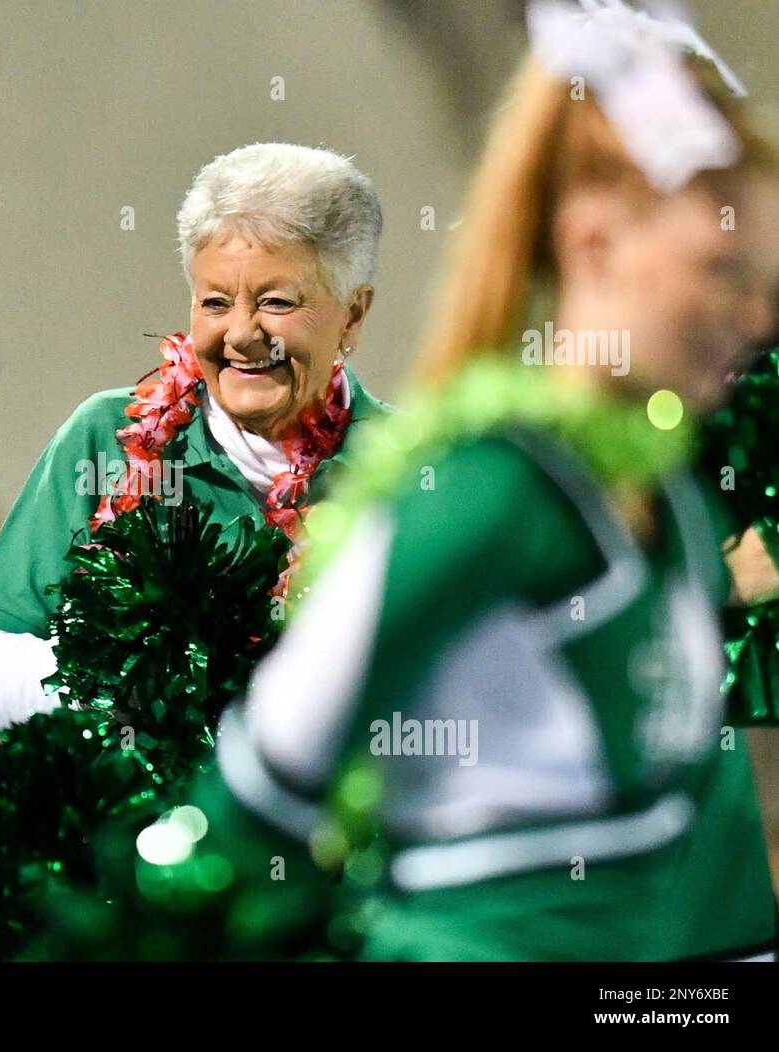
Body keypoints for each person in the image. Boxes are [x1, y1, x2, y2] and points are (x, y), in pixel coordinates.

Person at [127, 1, 779, 961]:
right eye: (724, 268)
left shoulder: (673, 502)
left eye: (768, 280)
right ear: (595, 242)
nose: (757, 314)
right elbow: (257, 790)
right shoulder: (489, 491)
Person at [0, 142, 388, 733]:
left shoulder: (408, 469)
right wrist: (122, 697)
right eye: (215, 302)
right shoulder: (106, 440)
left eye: (277, 302)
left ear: (353, 316)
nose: (241, 335)